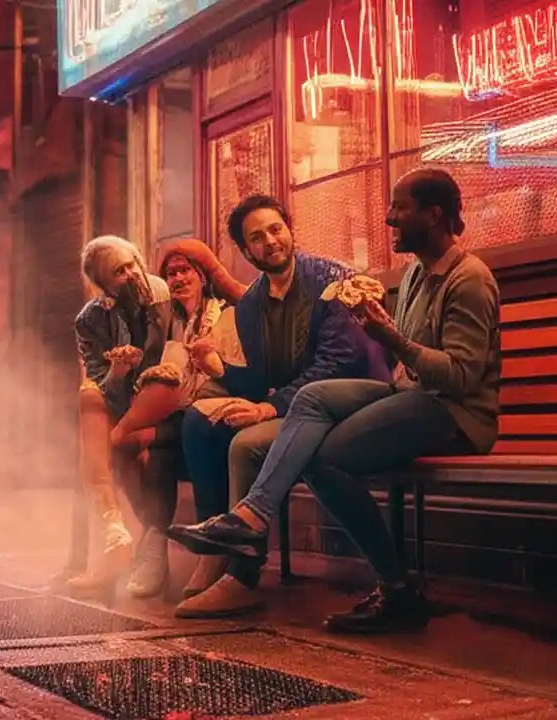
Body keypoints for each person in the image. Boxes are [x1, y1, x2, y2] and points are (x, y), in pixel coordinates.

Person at [168, 169, 501, 634]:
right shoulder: (414, 274)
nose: (388, 218)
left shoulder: (468, 278)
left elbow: (462, 379)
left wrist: (391, 340)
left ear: (434, 215)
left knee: (319, 460)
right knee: (309, 400)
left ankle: (394, 587)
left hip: (453, 411)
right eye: (255, 238)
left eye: (400, 209)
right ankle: (252, 517)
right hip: (410, 393)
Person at [168, 195, 389, 618]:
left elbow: (340, 364)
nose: (270, 241)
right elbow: (262, 377)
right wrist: (223, 372)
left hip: (351, 403)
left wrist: (268, 409)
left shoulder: (332, 280)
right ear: (247, 251)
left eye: (275, 229)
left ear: (289, 229)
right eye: (257, 237)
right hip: (298, 406)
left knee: (246, 444)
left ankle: (241, 575)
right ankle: (215, 551)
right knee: (202, 419)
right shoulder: (252, 303)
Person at [106, 239, 247, 597]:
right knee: (154, 459)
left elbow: (242, 373)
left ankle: (171, 545)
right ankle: (154, 544)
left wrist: (213, 363)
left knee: (133, 441)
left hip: (214, 419)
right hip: (175, 423)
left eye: (186, 270)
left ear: (202, 275)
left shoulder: (227, 314)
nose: (179, 278)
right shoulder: (166, 324)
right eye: (171, 273)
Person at [68, 235, 172, 595]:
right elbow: (101, 382)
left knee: (114, 444)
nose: (130, 275)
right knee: (89, 399)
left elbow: (169, 359)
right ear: (103, 286)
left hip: (165, 397)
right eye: (118, 272)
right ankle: (116, 537)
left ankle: (118, 540)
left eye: (132, 265)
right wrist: (118, 372)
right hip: (122, 401)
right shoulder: (91, 319)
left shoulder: (159, 292)